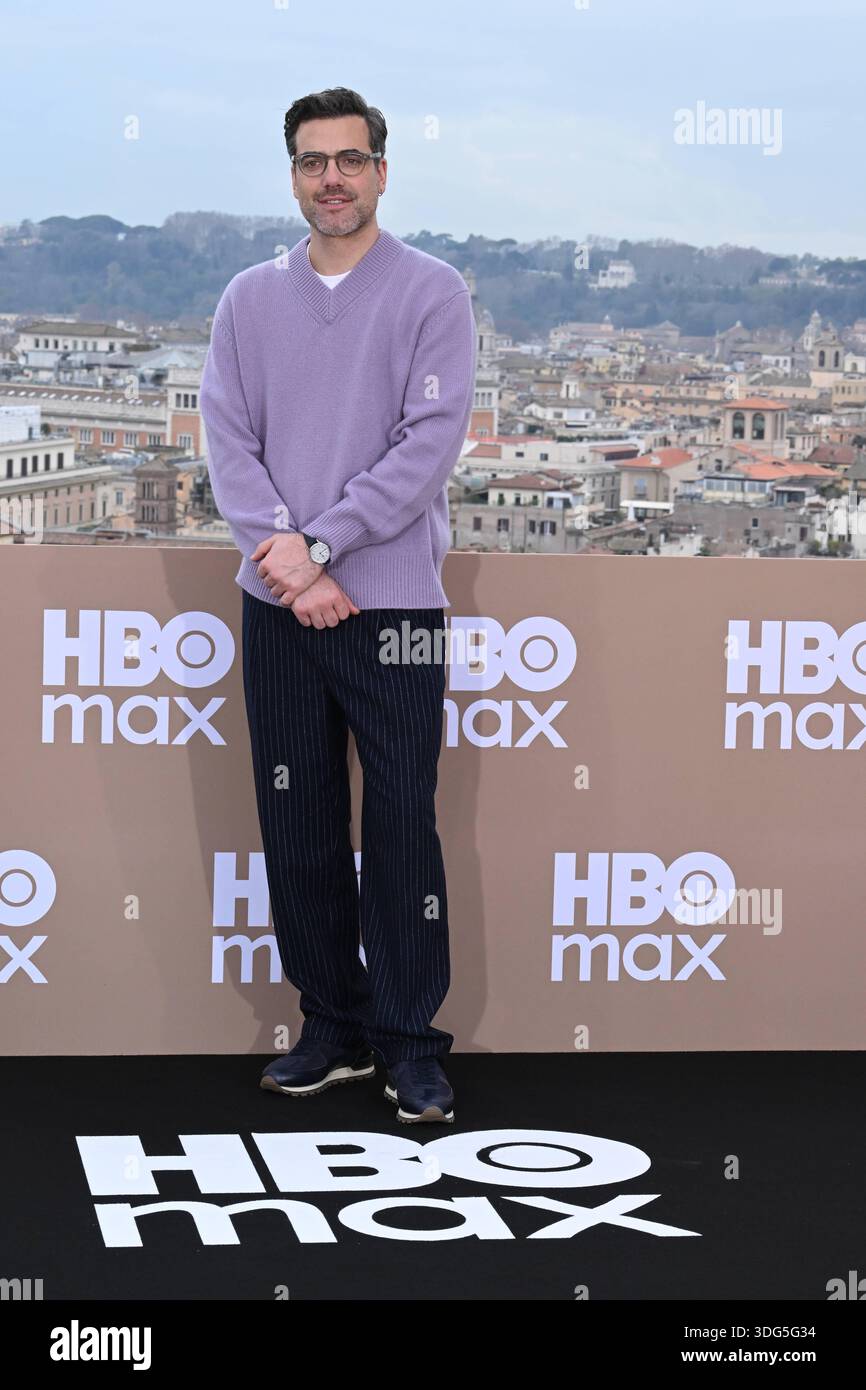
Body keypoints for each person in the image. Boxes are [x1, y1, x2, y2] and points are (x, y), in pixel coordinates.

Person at [199, 86, 477, 1124]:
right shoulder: (244, 300)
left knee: (401, 825)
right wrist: (289, 564)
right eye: (313, 161)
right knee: (298, 818)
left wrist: (318, 547)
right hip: (277, 605)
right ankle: (331, 1022)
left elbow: (425, 451)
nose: (332, 178)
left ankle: (409, 1040)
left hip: (394, 605)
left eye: (349, 160)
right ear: (292, 176)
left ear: (381, 172)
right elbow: (228, 442)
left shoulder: (432, 292)